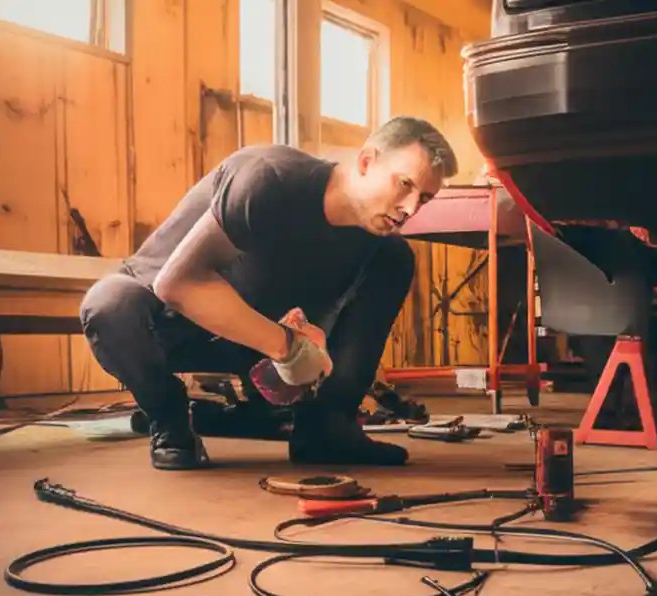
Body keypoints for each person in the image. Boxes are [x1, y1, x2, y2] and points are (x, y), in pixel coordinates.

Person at [80, 117, 459, 470]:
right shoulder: (269, 180)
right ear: (365, 162)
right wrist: (289, 346)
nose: (410, 208)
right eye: (404, 184)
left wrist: (309, 348)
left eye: (424, 198)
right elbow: (178, 284)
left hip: (250, 338)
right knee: (109, 306)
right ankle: (168, 418)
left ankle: (327, 427)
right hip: (165, 321)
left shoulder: (376, 243)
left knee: (396, 257)